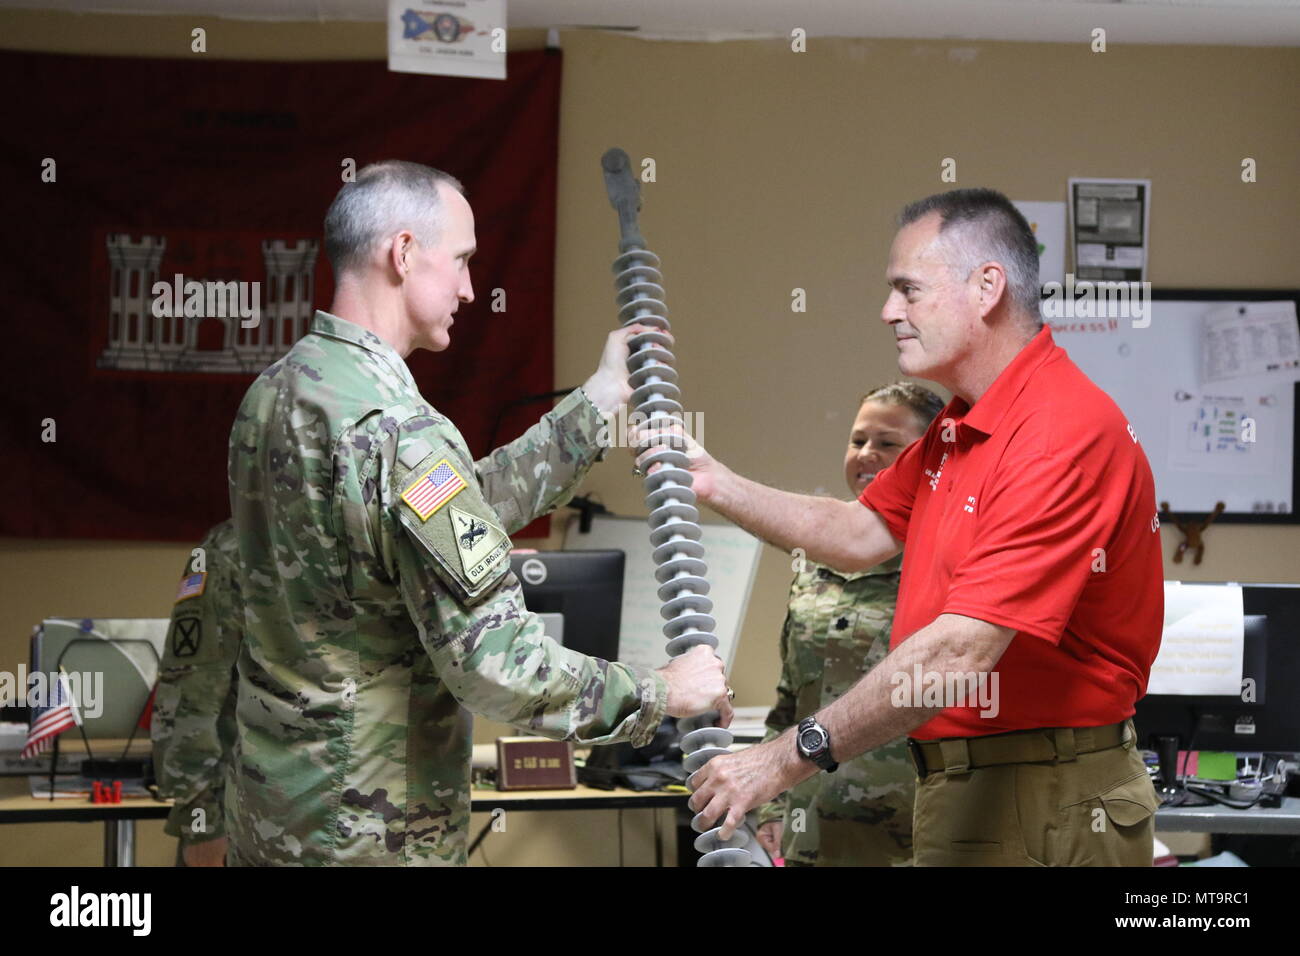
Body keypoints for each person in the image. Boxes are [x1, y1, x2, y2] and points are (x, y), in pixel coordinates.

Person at [225, 160, 730, 866]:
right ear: (403, 253)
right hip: (372, 829)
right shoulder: (401, 431)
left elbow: (438, 522)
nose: (468, 288)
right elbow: (495, 664)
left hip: (274, 812)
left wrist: (598, 403)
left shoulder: (276, 395)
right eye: (461, 261)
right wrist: (656, 692)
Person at [661, 188, 1163, 867]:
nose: (888, 312)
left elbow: (959, 655)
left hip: (1045, 793)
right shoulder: (965, 423)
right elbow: (857, 531)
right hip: (963, 780)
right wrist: (711, 480)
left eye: (908, 290)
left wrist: (784, 759)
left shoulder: (1058, 431)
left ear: (987, 287)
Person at [755, 382, 943, 867]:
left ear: (928, 456)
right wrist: (774, 804)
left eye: (887, 444)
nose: (866, 455)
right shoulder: (815, 566)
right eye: (858, 440)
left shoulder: (945, 561)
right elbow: (793, 699)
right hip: (815, 830)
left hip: (920, 833)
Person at [151, 518, 240, 867]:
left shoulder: (380, 527)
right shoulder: (233, 545)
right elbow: (190, 690)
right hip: (250, 820)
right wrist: (201, 825)